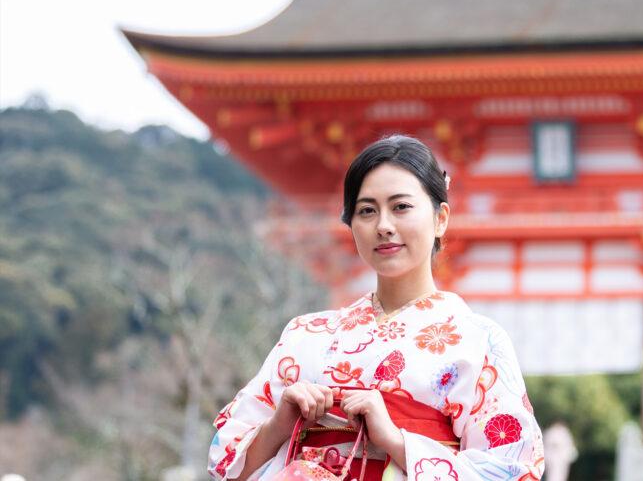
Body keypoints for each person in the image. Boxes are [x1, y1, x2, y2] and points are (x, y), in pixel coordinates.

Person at [208, 135, 544, 481]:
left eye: (401, 207)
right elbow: (224, 461)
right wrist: (280, 423)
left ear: (440, 218)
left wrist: (398, 442)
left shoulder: (477, 341)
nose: (383, 226)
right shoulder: (304, 335)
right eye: (367, 211)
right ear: (351, 224)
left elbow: (514, 471)